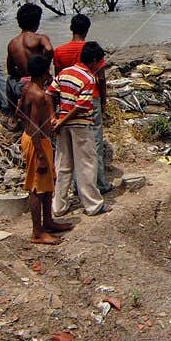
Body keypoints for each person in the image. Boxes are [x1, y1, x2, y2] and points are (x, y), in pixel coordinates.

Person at [15, 52, 72, 246]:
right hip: (37, 142)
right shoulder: (39, 95)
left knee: (47, 183)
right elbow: (35, 127)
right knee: (37, 187)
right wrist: (39, 154)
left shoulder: (27, 88)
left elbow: (19, 111)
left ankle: (47, 222)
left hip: (35, 140)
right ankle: (37, 233)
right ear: (45, 72)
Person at [54, 14, 112, 194]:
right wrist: (104, 100)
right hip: (89, 99)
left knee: (72, 146)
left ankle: (76, 185)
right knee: (94, 142)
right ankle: (99, 183)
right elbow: (100, 79)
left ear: (71, 29)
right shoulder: (92, 50)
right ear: (87, 30)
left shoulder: (60, 51)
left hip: (68, 101)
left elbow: (58, 79)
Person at [51, 40, 108, 217]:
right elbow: (81, 106)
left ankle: (58, 206)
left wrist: (55, 117)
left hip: (63, 124)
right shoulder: (89, 78)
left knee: (63, 164)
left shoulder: (65, 73)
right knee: (86, 165)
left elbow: (50, 93)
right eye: (99, 62)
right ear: (93, 61)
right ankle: (92, 205)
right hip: (81, 125)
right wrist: (61, 120)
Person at [6, 2, 55, 115]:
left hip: (22, 87)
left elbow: (10, 71)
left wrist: (23, 73)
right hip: (41, 84)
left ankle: (12, 113)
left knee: (9, 80)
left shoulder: (12, 43)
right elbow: (49, 49)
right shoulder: (40, 38)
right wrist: (43, 69)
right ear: (37, 22)